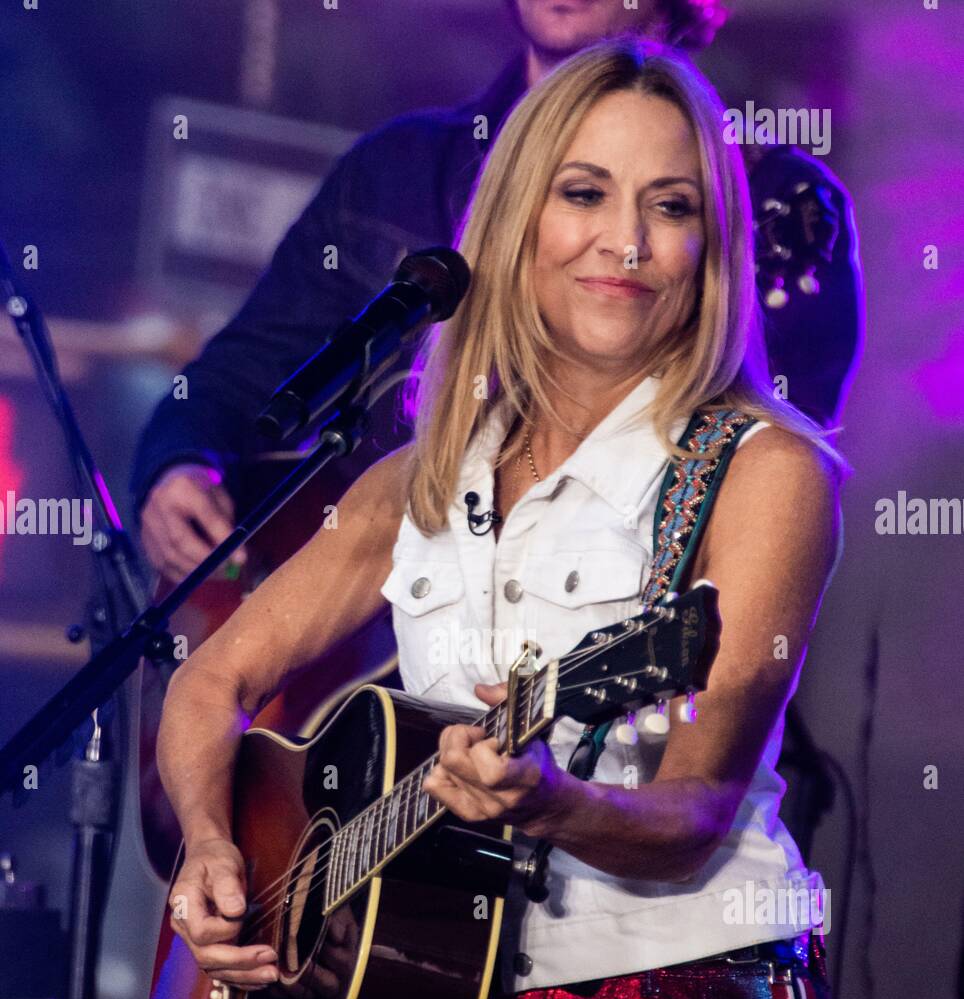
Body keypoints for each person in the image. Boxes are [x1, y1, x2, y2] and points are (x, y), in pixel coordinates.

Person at [156, 38, 844, 999]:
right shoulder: (413, 477)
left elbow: (693, 810)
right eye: (584, 194)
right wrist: (211, 843)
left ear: (714, 243)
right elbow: (208, 684)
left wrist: (554, 801)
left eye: (670, 205)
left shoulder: (760, 472)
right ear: (516, 217)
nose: (625, 243)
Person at [132, 0, 861, 585]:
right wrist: (178, 465)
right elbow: (247, 368)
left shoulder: (773, 200)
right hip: (348, 643)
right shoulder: (400, 164)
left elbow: (761, 491)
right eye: (582, 196)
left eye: (669, 206)